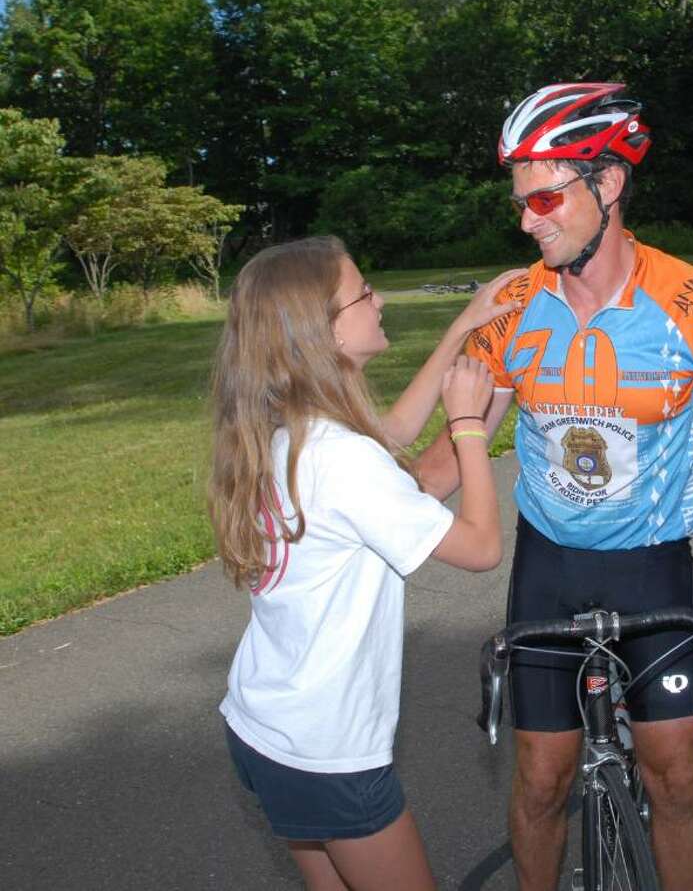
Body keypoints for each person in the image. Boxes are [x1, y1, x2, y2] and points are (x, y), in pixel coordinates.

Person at [416, 82, 693, 891]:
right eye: (519, 202)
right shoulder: (512, 306)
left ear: (607, 183)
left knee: (674, 773)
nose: (526, 221)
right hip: (550, 565)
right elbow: (444, 461)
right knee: (542, 779)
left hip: (653, 563)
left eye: (544, 198)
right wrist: (334, 507)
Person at [209, 235, 519, 891]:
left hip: (264, 727)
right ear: (325, 331)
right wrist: (468, 425)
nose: (379, 300)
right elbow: (481, 547)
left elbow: (395, 434)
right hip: (326, 751)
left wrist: (465, 326)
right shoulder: (342, 460)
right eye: (364, 293)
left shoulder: (292, 428)